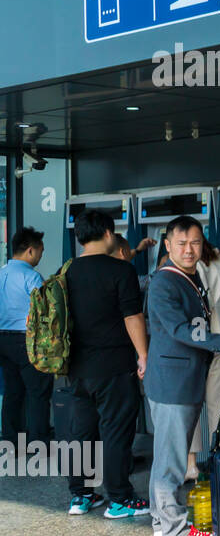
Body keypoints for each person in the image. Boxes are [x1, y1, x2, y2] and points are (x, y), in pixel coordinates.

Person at [146, 216, 220, 536]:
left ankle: (160, 521)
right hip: (172, 382)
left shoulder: (189, 278)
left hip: (184, 378)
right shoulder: (165, 283)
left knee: (168, 454)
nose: (189, 250)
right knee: (171, 461)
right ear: (167, 246)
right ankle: (176, 534)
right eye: (181, 243)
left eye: (195, 242)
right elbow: (181, 330)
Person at [63, 210, 151, 518]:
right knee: (116, 431)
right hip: (114, 365)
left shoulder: (66, 270)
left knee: (81, 431)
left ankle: (80, 495)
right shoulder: (120, 271)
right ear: (108, 234)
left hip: (76, 367)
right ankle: (120, 499)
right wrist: (143, 355)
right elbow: (132, 316)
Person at [186, 242, 220, 480]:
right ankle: (219, 458)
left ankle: (191, 465)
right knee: (218, 403)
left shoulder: (191, 266)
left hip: (198, 336)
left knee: (192, 403)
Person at [0, 227, 52, 448]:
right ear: (30, 250)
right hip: (27, 341)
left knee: (13, 391)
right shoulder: (31, 276)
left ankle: (11, 441)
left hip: (2, 340)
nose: (41, 256)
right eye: (40, 251)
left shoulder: (1, 272)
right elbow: (46, 310)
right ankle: (39, 442)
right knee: (38, 392)